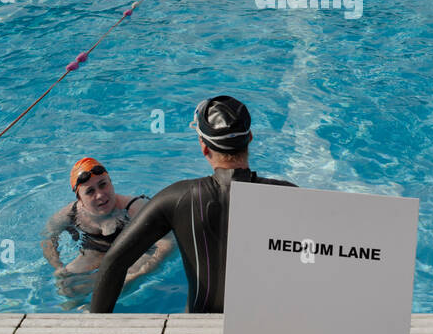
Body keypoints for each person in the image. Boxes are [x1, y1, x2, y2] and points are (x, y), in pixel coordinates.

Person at [89, 96, 296, 313]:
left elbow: (114, 262)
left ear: (204, 148)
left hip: (196, 326)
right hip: (263, 326)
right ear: (250, 138)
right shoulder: (289, 196)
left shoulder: (177, 197)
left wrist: (96, 330)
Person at [41, 158, 174, 305]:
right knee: (67, 287)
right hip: (96, 250)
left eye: (103, 185)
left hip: (135, 251)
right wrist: (57, 266)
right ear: (80, 198)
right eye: (90, 191)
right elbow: (48, 236)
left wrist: (141, 272)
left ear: (111, 182)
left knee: (121, 284)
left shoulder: (134, 208)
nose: (100, 195)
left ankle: (98, 306)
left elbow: (167, 243)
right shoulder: (71, 213)